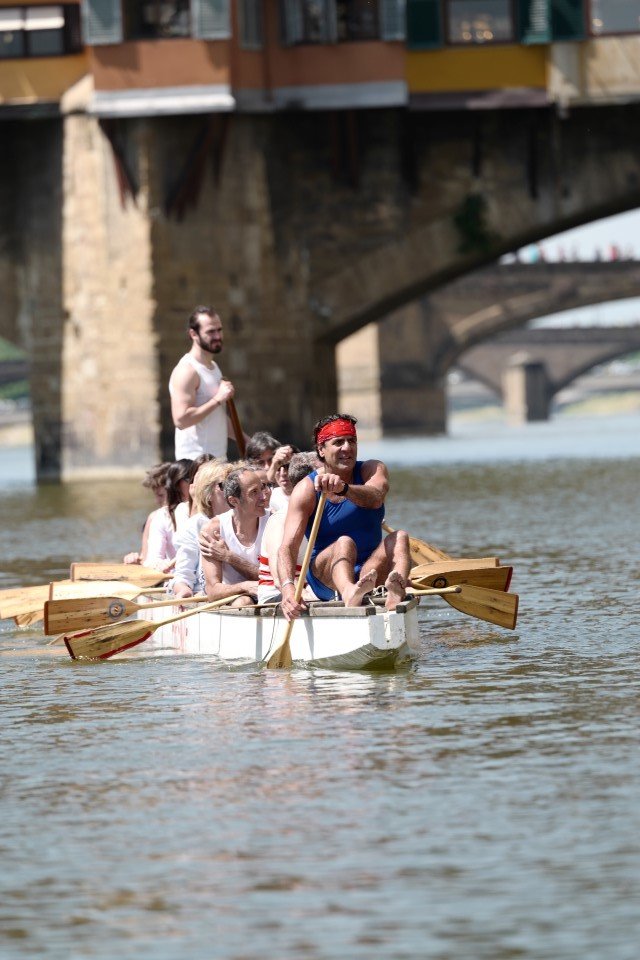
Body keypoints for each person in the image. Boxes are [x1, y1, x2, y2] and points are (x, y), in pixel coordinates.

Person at [278, 414, 410, 620]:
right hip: (326, 575)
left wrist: (344, 489)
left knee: (400, 537)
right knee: (345, 542)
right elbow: (287, 547)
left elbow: (376, 498)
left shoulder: (372, 469)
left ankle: (396, 589)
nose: (347, 448)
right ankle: (349, 592)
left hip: (370, 571)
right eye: (338, 442)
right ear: (321, 450)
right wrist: (287, 589)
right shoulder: (306, 489)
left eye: (352, 441)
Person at [169, 305, 249, 459]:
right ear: (193, 334)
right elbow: (181, 420)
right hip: (195, 464)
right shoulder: (187, 370)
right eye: (211, 332)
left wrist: (245, 441)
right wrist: (218, 399)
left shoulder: (213, 367)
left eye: (219, 330)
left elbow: (216, 416)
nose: (218, 336)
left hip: (217, 461)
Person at [201, 466, 270, 607]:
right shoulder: (213, 530)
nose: (263, 497)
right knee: (244, 601)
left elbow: (274, 579)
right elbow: (213, 591)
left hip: (270, 593)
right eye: (254, 492)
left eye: (262, 488)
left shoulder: (274, 522)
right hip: (233, 597)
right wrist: (244, 587)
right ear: (234, 501)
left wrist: (229, 557)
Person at [258, 451, 319, 605]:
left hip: (311, 588)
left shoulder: (324, 514)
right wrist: (300, 593)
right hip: (276, 595)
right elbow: (279, 578)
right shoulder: (280, 519)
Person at [169, 458, 234, 599]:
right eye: (224, 485)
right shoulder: (194, 526)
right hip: (202, 594)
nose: (232, 490)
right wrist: (183, 590)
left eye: (234, 484)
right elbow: (183, 575)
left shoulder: (244, 519)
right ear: (208, 493)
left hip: (237, 593)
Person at [145, 458, 194, 572]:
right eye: (190, 480)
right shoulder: (161, 516)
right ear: (176, 485)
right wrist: (167, 565)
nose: (195, 484)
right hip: (176, 579)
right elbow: (153, 560)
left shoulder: (211, 510)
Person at [123, 462, 171, 564]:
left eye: (161, 495)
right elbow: (144, 559)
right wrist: (133, 560)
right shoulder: (153, 518)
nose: (156, 501)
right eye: (156, 495)